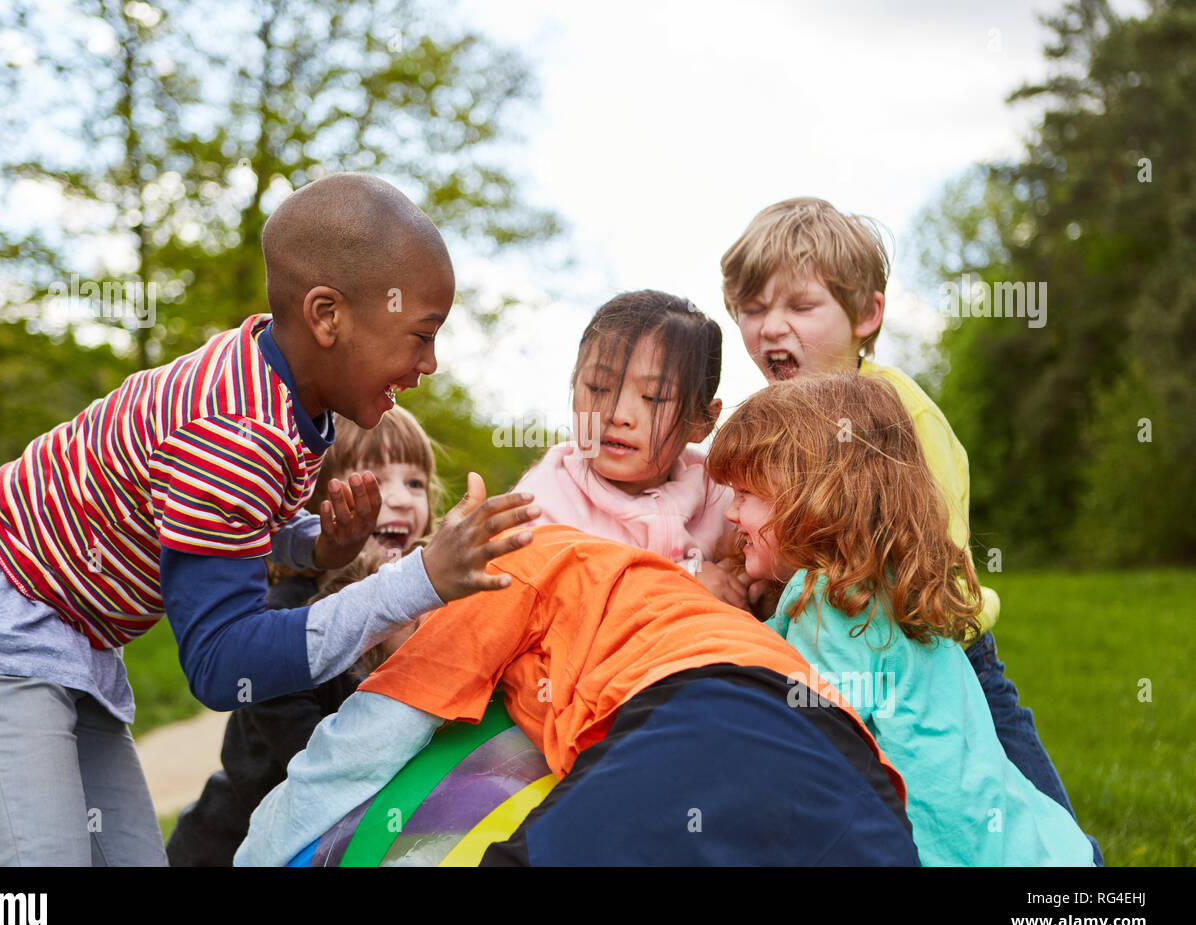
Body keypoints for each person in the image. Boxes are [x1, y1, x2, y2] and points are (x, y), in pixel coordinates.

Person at [0, 172, 537, 866]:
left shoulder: (282, 386)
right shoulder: (235, 431)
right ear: (327, 316)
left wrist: (321, 547)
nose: (429, 364)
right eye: (420, 335)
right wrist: (419, 580)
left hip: (71, 635)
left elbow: (227, 522)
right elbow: (218, 660)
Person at [719, 196, 1103, 864]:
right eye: (753, 309)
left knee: (1004, 806)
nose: (771, 328)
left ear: (867, 314)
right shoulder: (775, 425)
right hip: (852, 634)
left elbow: (920, 539)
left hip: (938, 643)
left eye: (800, 307)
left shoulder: (897, 414)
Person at [235, 523, 923, 867]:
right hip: (849, 763)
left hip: (704, 717)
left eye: (387, 640)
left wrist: (258, 853)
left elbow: (365, 741)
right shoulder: (620, 583)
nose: (390, 652)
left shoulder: (490, 577)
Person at [706, 374, 1095, 865]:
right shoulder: (885, 584)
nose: (731, 514)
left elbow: (802, 737)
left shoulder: (831, 599)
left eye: (745, 493)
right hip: (1033, 844)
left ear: (814, 496)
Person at [167, 406, 438, 866]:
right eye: (373, 482)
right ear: (317, 509)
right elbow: (317, 762)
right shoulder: (285, 615)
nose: (400, 499)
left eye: (415, 483)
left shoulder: (418, 614)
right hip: (232, 843)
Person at [513, 289, 759, 608]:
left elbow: (765, 576)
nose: (618, 415)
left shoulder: (722, 497)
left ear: (702, 421)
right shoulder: (542, 498)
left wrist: (745, 587)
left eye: (654, 397)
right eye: (599, 388)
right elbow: (546, 597)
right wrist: (682, 580)